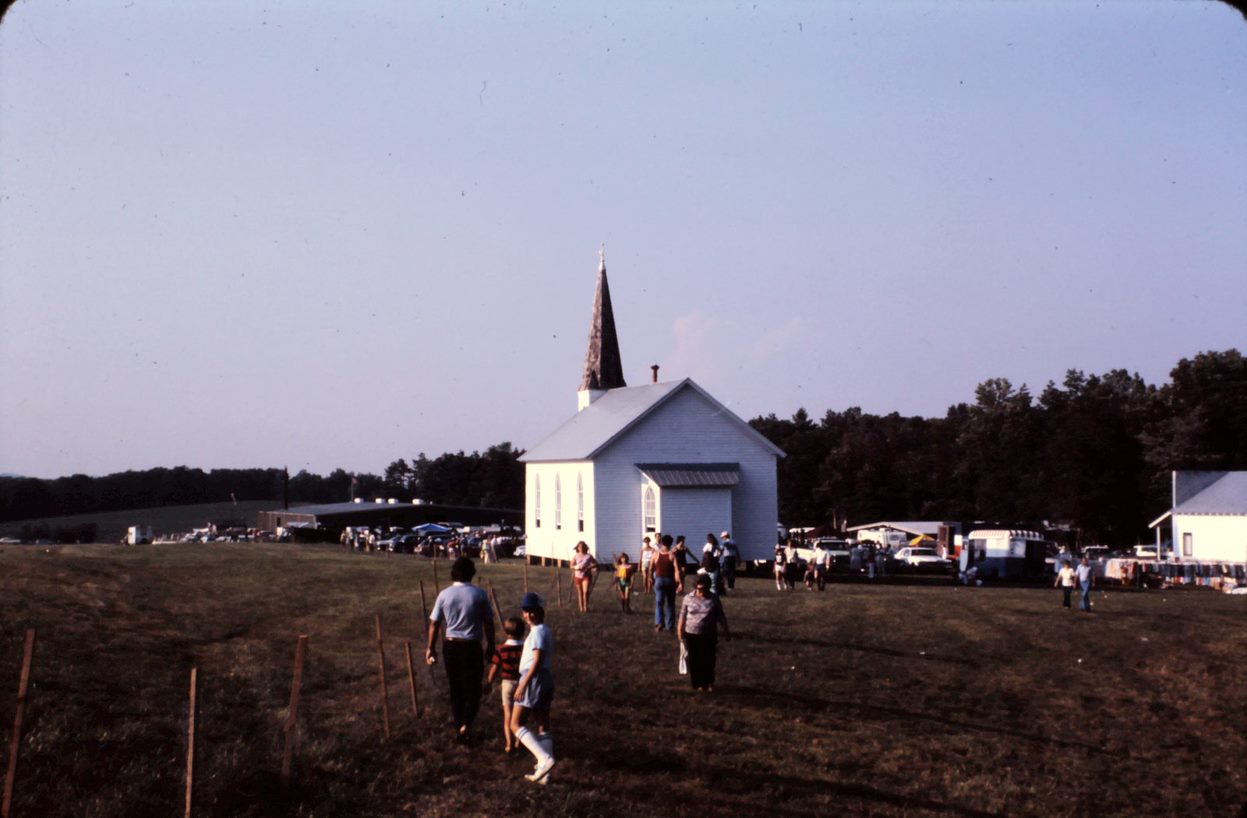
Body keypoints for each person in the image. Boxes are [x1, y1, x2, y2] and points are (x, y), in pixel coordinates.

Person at [426, 557, 495, 742]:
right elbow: (489, 623)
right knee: (474, 688)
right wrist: (491, 646)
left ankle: (459, 725)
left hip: (450, 645)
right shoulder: (480, 594)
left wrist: (430, 648)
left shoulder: (444, 595)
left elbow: (434, 624)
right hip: (471, 646)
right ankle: (467, 723)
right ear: (472, 574)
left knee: (455, 687)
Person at [511, 592, 556, 784]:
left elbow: (536, 661)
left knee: (515, 723)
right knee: (542, 723)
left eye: (532, 611)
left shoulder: (537, 632)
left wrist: (524, 683)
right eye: (525, 611)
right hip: (545, 679)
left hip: (534, 678)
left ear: (540, 612)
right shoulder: (544, 630)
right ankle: (545, 774)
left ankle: (544, 759)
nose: (528, 615)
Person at [677, 574, 731, 692]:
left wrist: (726, 630)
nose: (701, 591)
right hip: (691, 633)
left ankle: (709, 682)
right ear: (695, 587)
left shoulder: (714, 598)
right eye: (699, 589)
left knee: (709, 659)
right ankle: (698, 684)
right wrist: (679, 630)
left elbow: (720, 615)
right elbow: (682, 615)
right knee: (695, 660)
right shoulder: (688, 598)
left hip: (709, 633)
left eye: (704, 589)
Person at [486, 617, 525, 752]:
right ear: (522, 632)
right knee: (520, 716)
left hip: (507, 684)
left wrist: (489, 682)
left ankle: (509, 743)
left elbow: (495, 668)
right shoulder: (525, 648)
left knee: (507, 715)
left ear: (506, 632)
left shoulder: (501, 649)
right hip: (522, 684)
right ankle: (519, 741)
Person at [652, 535, 681, 631]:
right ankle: (670, 625)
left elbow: (651, 567)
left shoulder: (656, 554)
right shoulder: (672, 555)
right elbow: (677, 570)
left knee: (659, 603)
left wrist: (649, 577)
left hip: (659, 580)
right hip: (670, 580)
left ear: (662, 542)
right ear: (671, 543)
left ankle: (659, 623)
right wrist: (679, 582)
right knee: (670, 604)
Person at [571, 541, 599, 613]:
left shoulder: (588, 556)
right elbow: (571, 565)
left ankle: (586, 607)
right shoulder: (576, 556)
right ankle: (581, 607)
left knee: (586, 591)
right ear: (577, 548)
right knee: (580, 592)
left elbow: (595, 563)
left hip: (586, 575)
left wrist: (589, 567)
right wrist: (576, 567)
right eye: (579, 546)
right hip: (578, 576)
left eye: (582, 546)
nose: (581, 548)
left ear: (585, 547)